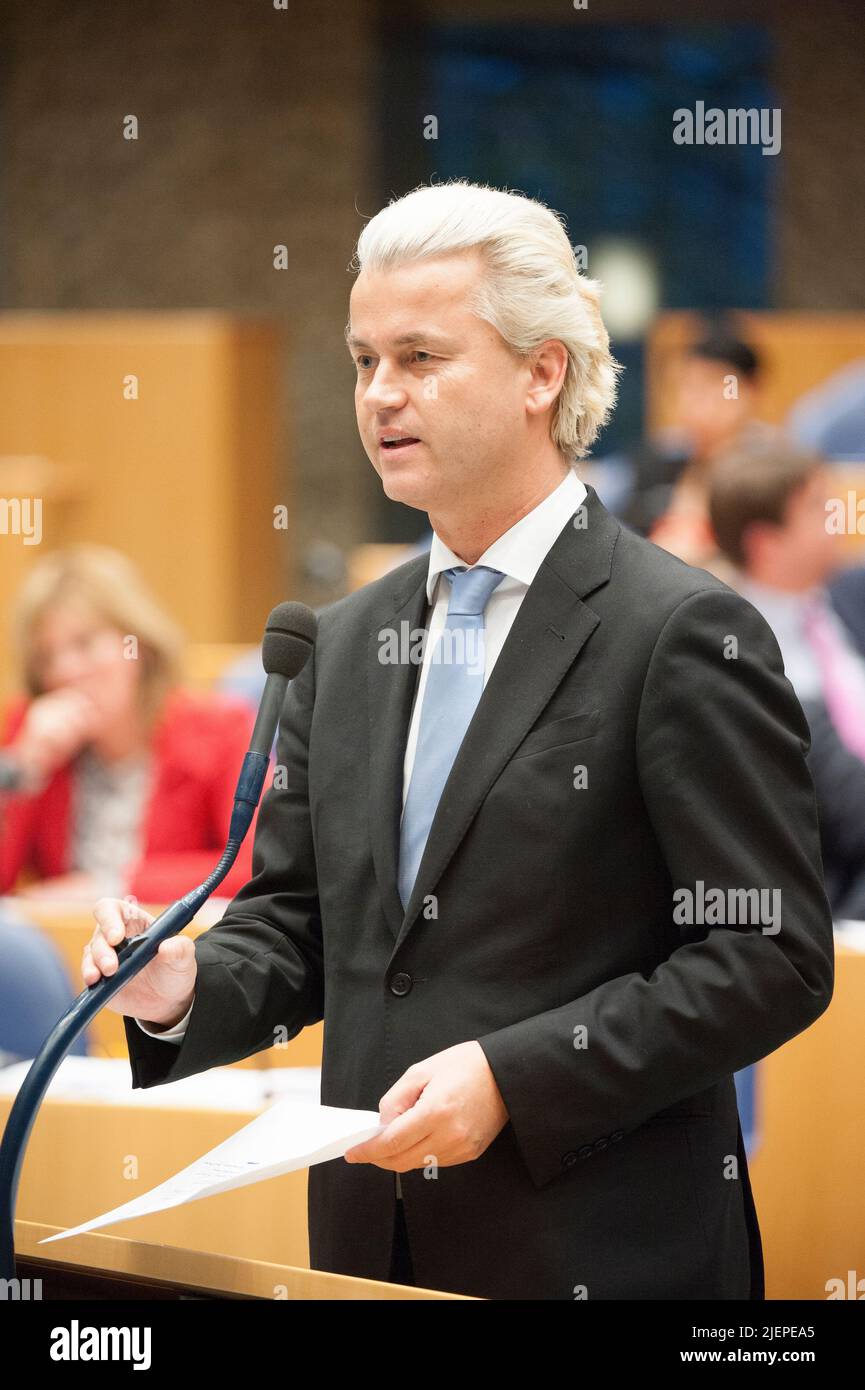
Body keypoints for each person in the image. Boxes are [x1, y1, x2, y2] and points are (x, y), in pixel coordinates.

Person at [85, 180, 833, 1301]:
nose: (380, 393)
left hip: (598, 1248)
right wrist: (187, 986)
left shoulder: (677, 631)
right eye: (362, 359)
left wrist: (513, 1078)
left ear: (543, 372)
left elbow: (767, 956)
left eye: (422, 358)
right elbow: (302, 926)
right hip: (367, 1250)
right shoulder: (339, 643)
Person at [0, 545, 259, 903]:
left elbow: (256, 866)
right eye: (46, 657)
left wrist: (114, 888)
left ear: (138, 643)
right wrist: (22, 771)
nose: (64, 671)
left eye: (84, 643)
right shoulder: (30, 736)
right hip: (65, 952)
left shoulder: (218, 729)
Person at [709, 439, 865, 919]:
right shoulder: (738, 653)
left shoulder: (845, 599)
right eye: (818, 508)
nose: (837, 518)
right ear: (765, 542)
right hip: (831, 888)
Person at [624, 329, 773, 569]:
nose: (696, 401)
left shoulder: (771, 471)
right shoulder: (658, 459)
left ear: (750, 390)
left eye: (713, 385)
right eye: (688, 386)